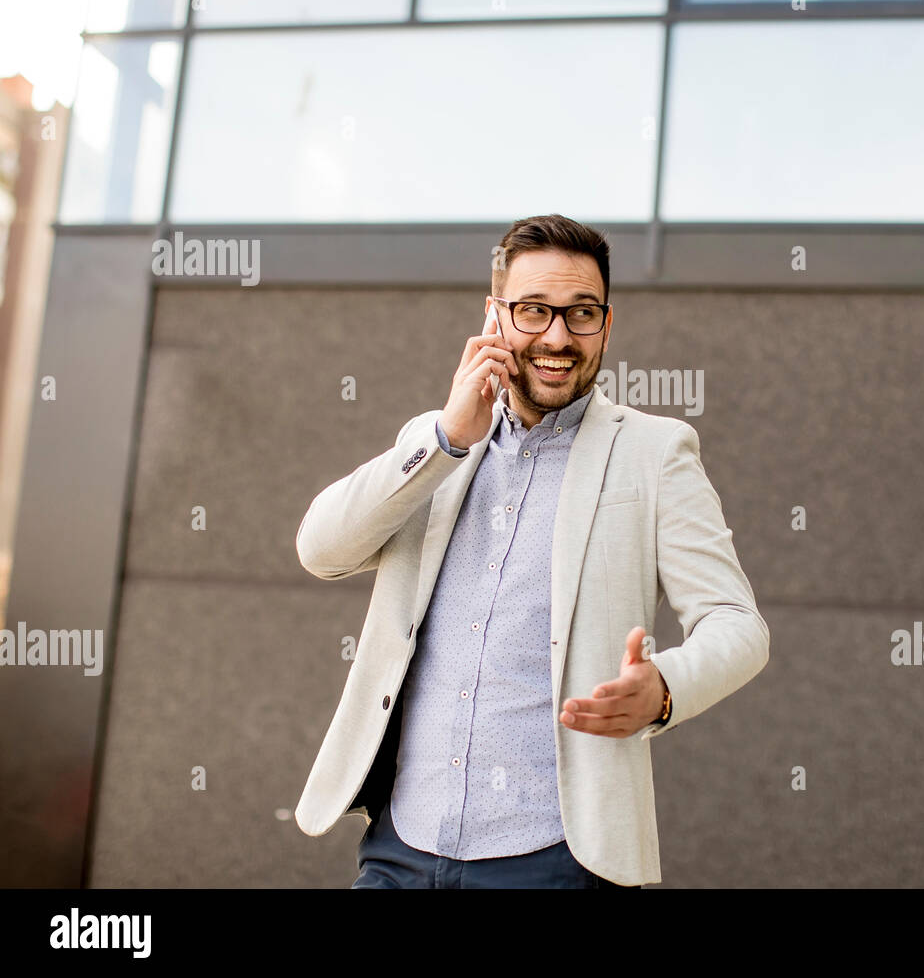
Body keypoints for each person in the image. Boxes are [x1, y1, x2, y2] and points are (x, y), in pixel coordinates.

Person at [293, 213, 769, 887]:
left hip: (553, 860)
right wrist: (447, 437)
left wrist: (663, 689)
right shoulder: (435, 448)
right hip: (401, 847)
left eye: (580, 314)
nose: (557, 336)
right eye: (534, 310)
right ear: (494, 317)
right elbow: (320, 546)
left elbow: (737, 623)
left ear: (607, 324)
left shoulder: (654, 454)